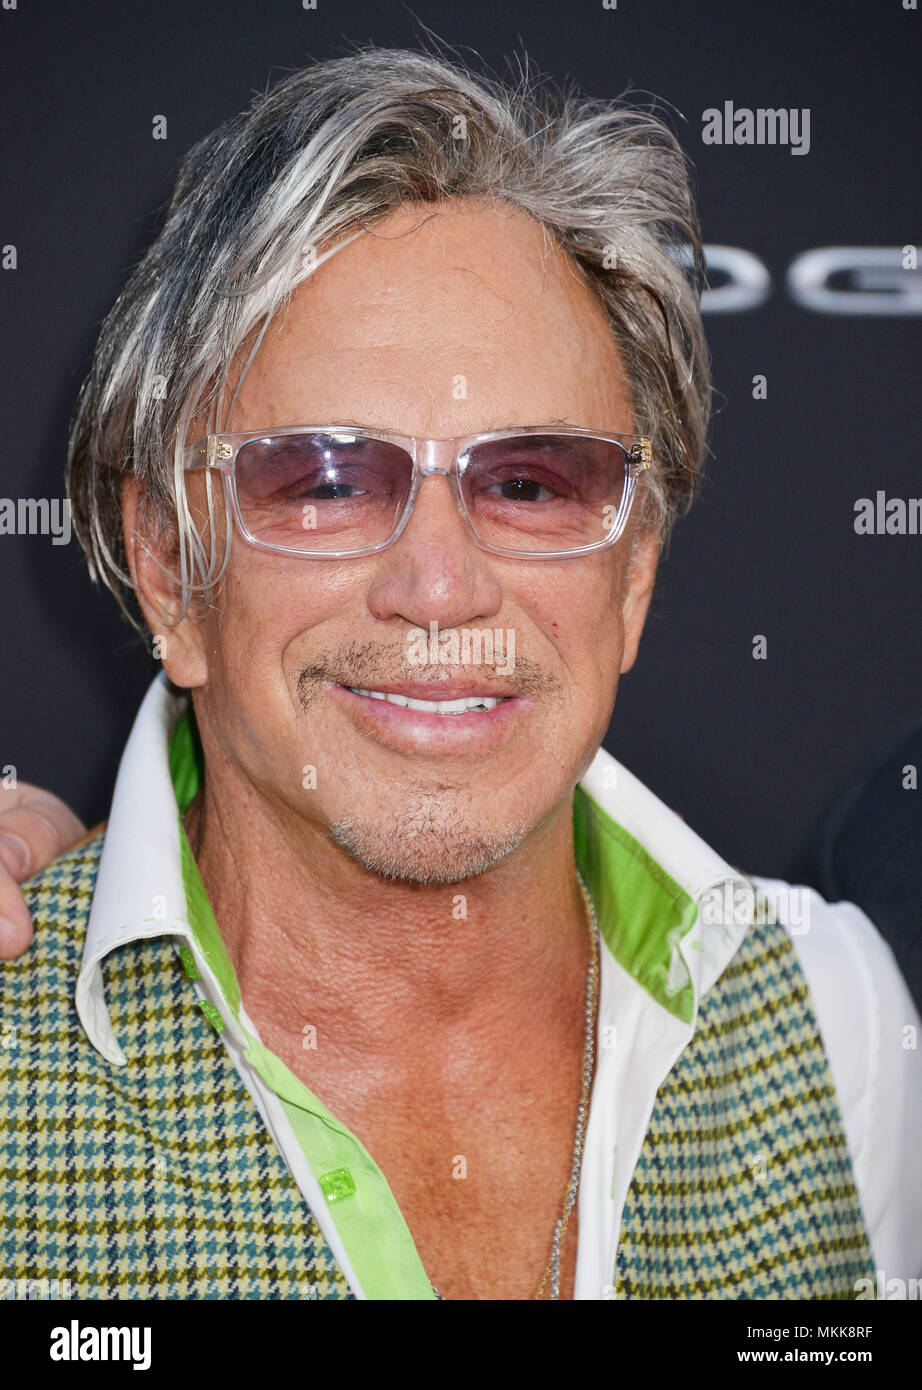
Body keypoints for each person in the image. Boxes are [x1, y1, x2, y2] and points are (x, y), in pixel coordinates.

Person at [1, 45, 919, 1302]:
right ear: (168, 567)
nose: (439, 586)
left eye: (530, 483)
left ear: (634, 574)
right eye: (324, 481)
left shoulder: (845, 1019)